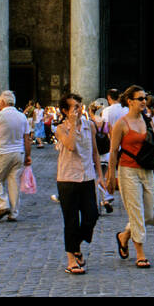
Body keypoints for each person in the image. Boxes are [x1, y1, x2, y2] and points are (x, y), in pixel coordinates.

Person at [106, 85, 154, 268]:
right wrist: (110, 176)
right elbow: (113, 151)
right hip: (128, 170)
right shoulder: (121, 124)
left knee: (149, 210)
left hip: (146, 169)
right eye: (140, 98)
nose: (144, 102)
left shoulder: (147, 120)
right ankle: (140, 252)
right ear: (129, 101)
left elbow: (153, 143)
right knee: (136, 211)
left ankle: (124, 235)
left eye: (145, 98)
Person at [54, 92, 102, 275]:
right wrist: (73, 124)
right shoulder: (61, 129)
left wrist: (101, 176)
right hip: (67, 178)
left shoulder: (90, 126)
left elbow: (95, 153)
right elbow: (71, 146)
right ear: (65, 111)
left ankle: (76, 245)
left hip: (87, 177)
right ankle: (71, 259)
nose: (79, 109)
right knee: (71, 220)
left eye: (80, 105)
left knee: (92, 216)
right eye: (75, 107)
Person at [0, 90, 32, 222]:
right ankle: (14, 213)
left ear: (2, 102)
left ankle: (3, 205)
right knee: (14, 183)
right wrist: (28, 156)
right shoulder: (22, 116)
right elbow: (27, 138)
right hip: (19, 153)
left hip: (2, 153)